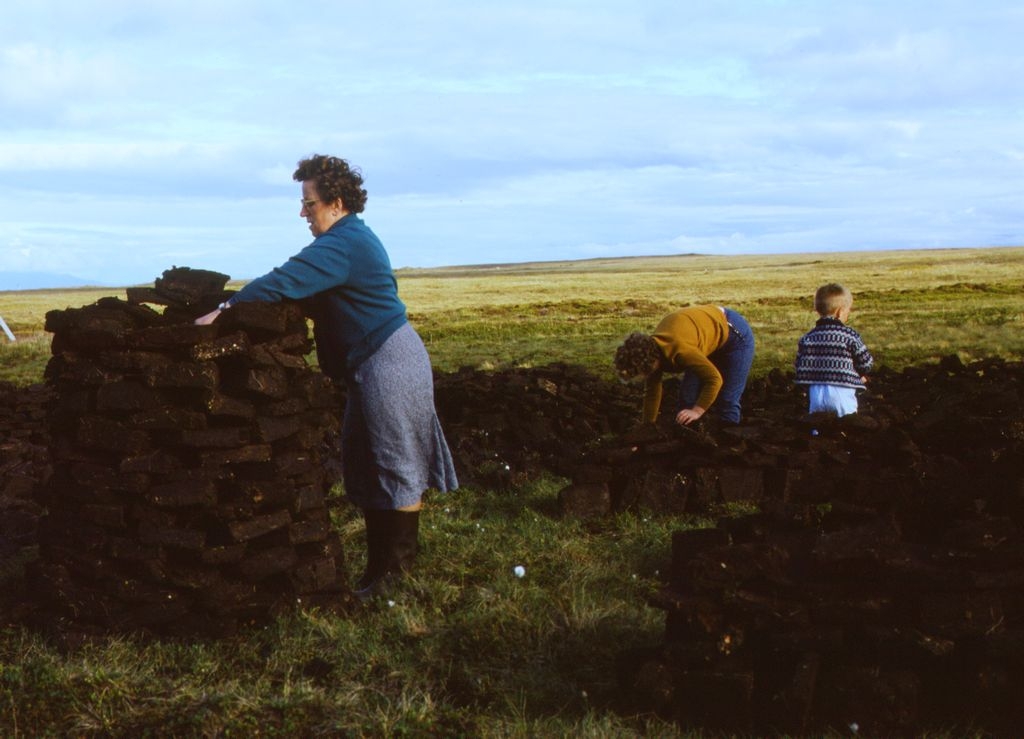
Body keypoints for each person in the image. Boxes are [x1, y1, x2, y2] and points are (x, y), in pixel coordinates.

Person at [195, 154, 458, 599]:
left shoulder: (346, 242)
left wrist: (225, 310)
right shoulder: (344, 241)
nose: (303, 212)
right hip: (371, 361)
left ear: (336, 203)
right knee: (368, 460)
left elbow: (287, 277)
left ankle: (398, 577)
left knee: (397, 461)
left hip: (390, 358)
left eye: (309, 203)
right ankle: (378, 574)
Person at [614, 305, 755, 426]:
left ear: (651, 364)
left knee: (727, 400)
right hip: (703, 338)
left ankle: (730, 447)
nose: (647, 377)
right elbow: (652, 393)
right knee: (687, 399)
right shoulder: (650, 353)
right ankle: (689, 443)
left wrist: (697, 411)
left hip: (735, 333)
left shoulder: (681, 351)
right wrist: (646, 429)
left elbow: (714, 379)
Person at [794, 282, 874, 417]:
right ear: (839, 312)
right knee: (847, 426)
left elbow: (799, 365)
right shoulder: (850, 335)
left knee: (817, 429)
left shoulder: (808, 338)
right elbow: (866, 363)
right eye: (848, 310)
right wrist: (859, 375)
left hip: (816, 393)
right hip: (842, 393)